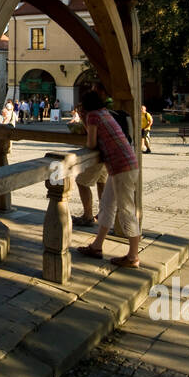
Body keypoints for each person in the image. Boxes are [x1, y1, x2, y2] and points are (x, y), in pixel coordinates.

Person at [76, 91, 141, 266]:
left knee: (126, 210)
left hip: (121, 167)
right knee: (107, 205)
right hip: (124, 165)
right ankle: (97, 246)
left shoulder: (93, 117)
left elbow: (91, 143)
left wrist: (83, 118)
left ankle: (133, 256)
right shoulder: (104, 113)